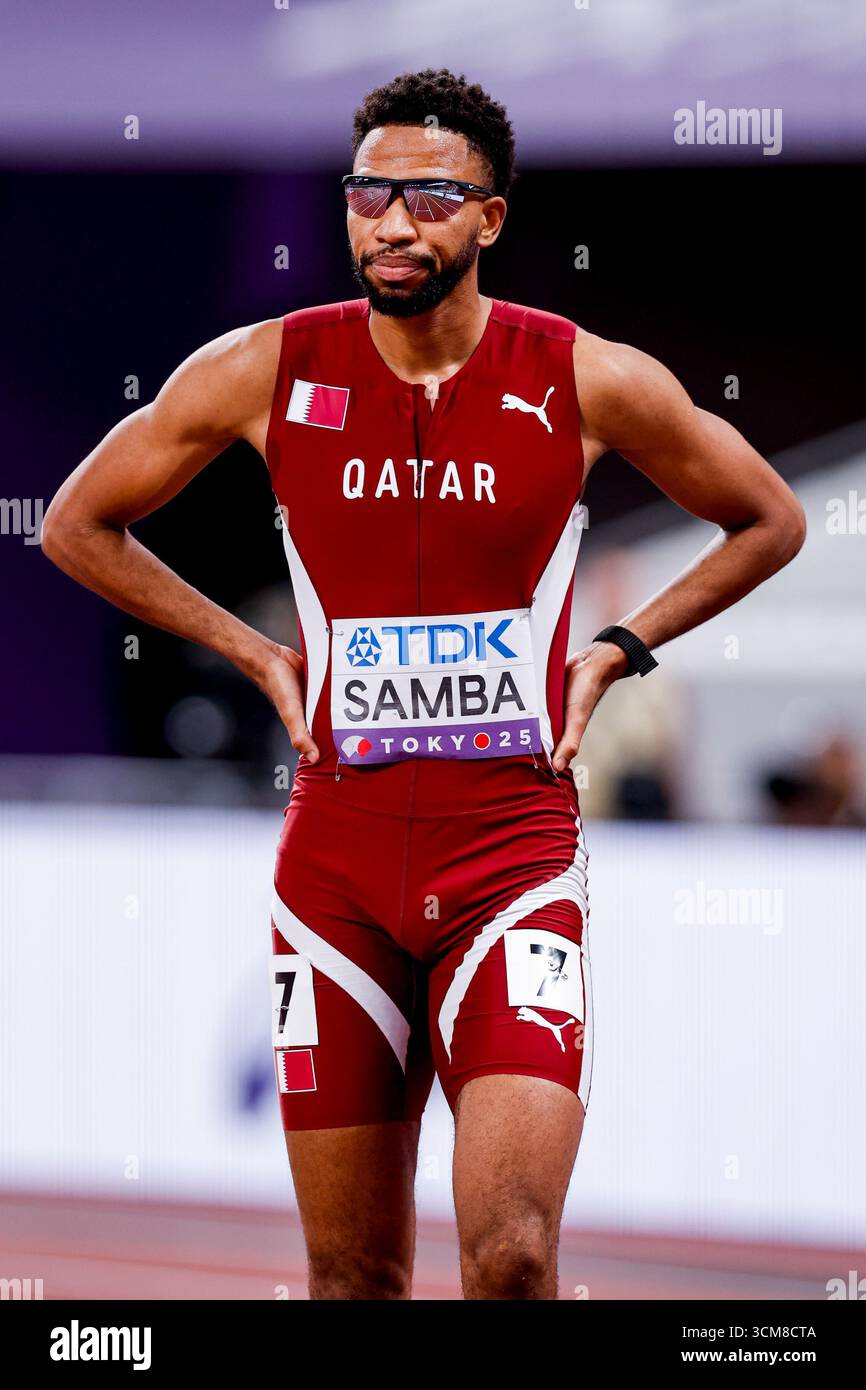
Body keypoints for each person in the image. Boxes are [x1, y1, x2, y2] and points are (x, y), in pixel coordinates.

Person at [41, 68, 806, 1300]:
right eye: (369, 195)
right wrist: (252, 651)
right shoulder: (262, 368)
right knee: (352, 1276)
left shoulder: (584, 376)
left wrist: (617, 648)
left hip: (510, 856)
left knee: (508, 1260)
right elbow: (78, 525)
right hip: (335, 870)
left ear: (490, 217)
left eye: (431, 199)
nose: (393, 224)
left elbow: (766, 519)